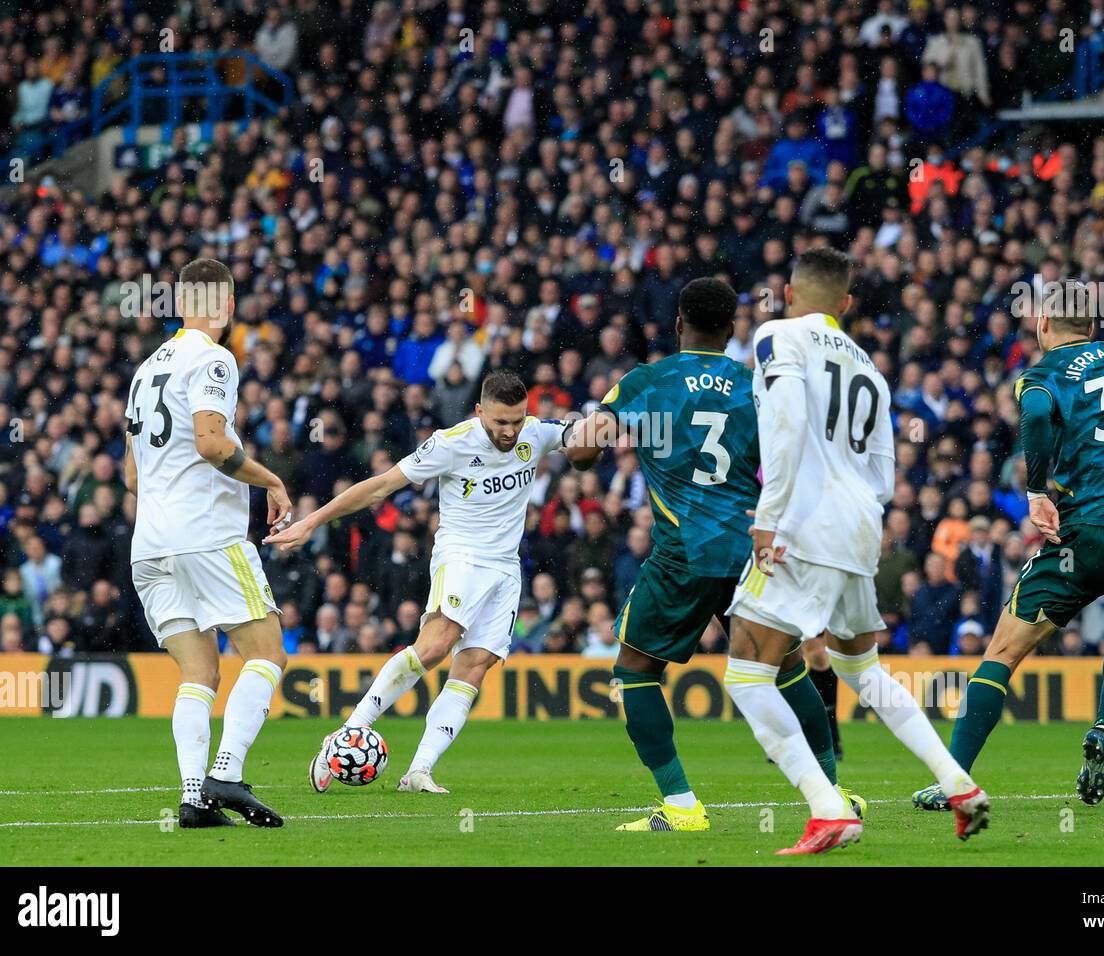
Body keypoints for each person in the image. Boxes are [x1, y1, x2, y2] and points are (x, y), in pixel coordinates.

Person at [567, 277, 860, 833]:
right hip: (752, 551)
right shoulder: (759, 385)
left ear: (677, 325)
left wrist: (590, 432)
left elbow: (583, 453)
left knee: (634, 671)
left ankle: (680, 806)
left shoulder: (645, 382)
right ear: (732, 330)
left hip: (683, 553)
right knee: (787, 667)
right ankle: (832, 796)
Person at [724, 248, 989, 854]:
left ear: (789, 295)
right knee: (863, 670)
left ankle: (827, 808)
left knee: (745, 671)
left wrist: (771, 518)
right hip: (859, 528)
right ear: (845, 304)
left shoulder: (777, 335)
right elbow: (884, 469)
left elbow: (786, 423)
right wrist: (859, 522)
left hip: (801, 525)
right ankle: (959, 783)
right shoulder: (870, 366)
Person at [913, 303, 1104, 811]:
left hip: (1087, 533)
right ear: (1093, 328)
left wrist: (1034, 490)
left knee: (1003, 652)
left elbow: (1032, 414)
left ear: (1043, 325)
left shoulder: (1043, 373)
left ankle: (955, 779)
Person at [269, 371, 589, 794]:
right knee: (437, 644)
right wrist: (312, 521)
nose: (510, 431)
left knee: (474, 667)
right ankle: (346, 732)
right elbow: (380, 486)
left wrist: (606, 418)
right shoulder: (451, 442)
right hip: (462, 555)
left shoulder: (538, 433)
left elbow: (582, 435)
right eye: (499, 422)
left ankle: (418, 771)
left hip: (506, 568)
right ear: (479, 412)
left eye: (516, 420)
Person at [125, 258, 292, 829]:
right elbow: (212, 443)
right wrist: (270, 480)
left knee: (199, 674)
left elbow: (131, 479)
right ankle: (227, 771)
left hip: (150, 545)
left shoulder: (146, 369)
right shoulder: (215, 358)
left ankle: (194, 798)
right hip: (205, 536)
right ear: (224, 303)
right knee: (268, 653)